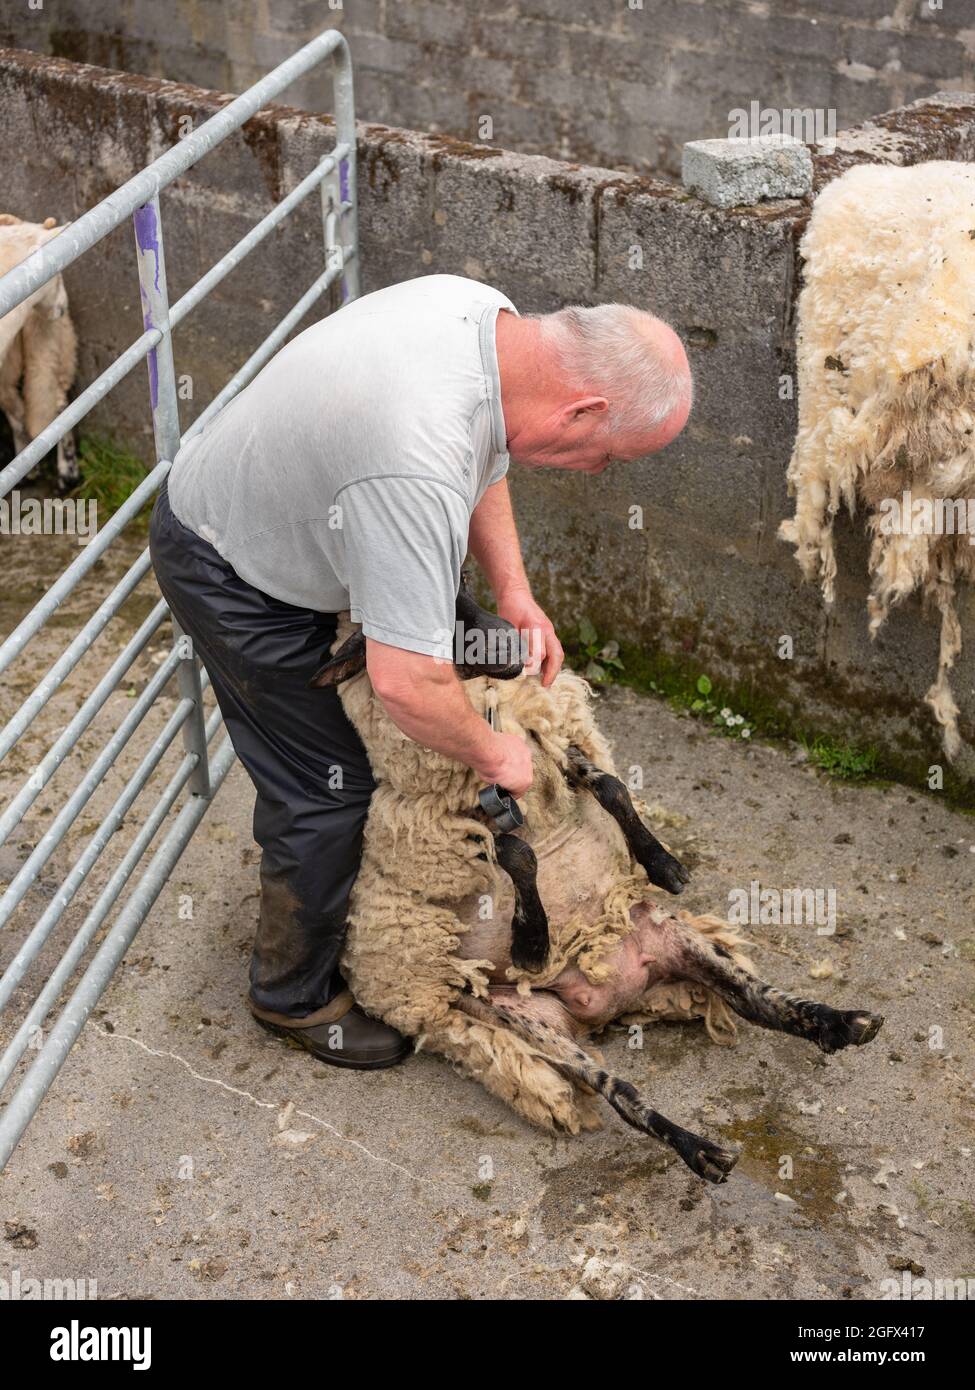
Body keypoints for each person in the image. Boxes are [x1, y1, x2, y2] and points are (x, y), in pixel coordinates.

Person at [149, 274, 691, 1069]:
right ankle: (291, 995)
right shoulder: (412, 456)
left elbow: (486, 455)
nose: (596, 472)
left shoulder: (485, 322)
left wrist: (513, 592)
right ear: (582, 410)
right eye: (606, 456)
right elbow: (405, 682)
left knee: (496, 653)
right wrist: (495, 755)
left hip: (327, 514)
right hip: (234, 571)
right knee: (325, 788)